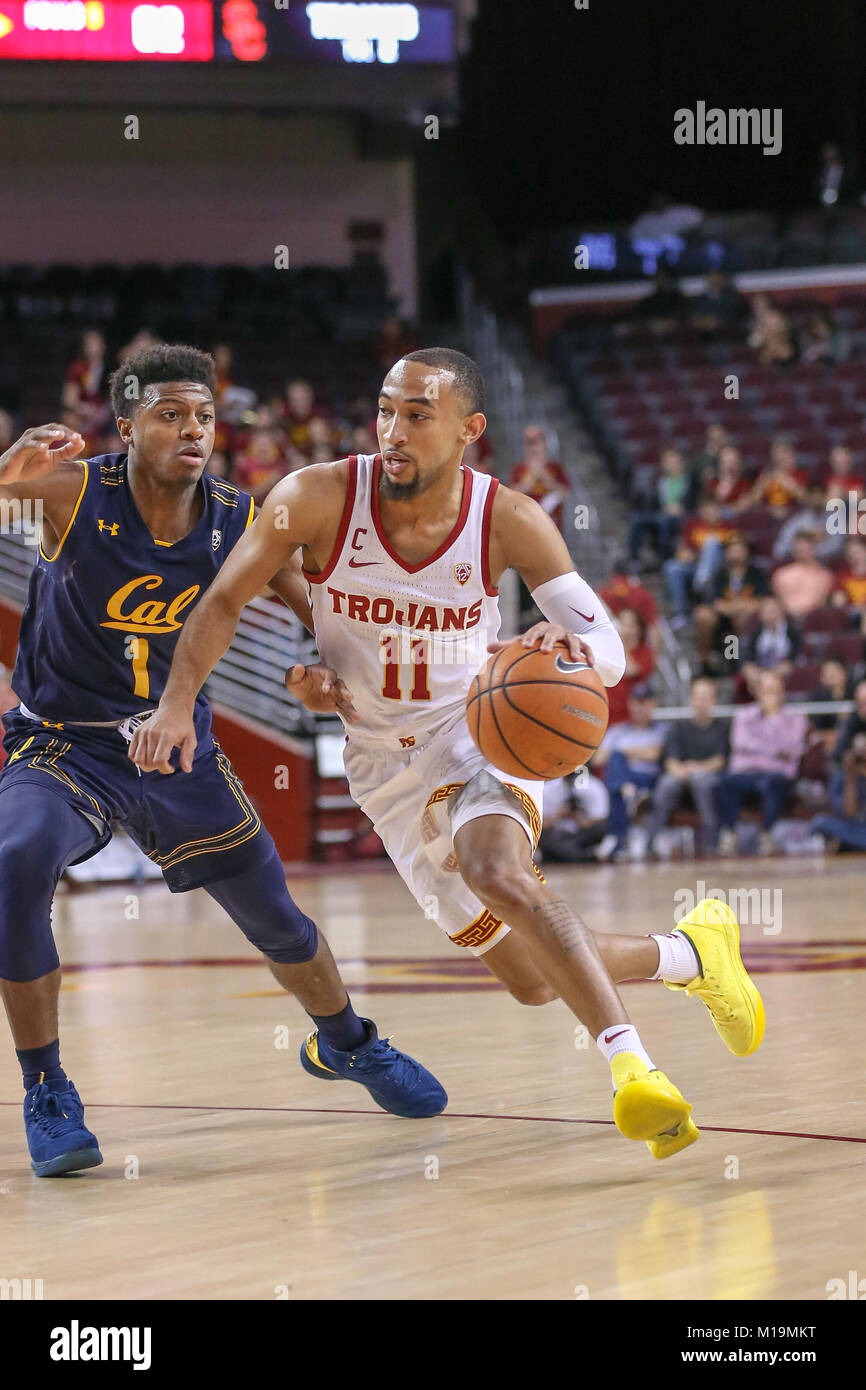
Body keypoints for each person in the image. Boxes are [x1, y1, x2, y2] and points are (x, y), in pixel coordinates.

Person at [132, 346, 766, 1162]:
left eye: (417, 415)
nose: (393, 429)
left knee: (499, 872)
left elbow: (606, 650)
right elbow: (225, 598)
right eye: (387, 410)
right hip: (378, 762)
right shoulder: (316, 497)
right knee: (533, 980)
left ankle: (633, 1069)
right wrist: (184, 703)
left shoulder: (510, 518)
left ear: (469, 429)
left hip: (479, 730)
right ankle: (691, 954)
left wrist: (562, 650)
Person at [0, 347, 446, 1179]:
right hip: (63, 740)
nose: (193, 430)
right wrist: (4, 472)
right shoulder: (71, 491)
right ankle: (48, 1089)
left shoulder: (240, 515)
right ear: (126, 427)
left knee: (276, 918)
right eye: (171, 415)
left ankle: (348, 1043)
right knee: (14, 861)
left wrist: (336, 667)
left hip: (177, 749)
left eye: (204, 416)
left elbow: (311, 599)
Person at [715, 669, 809, 854]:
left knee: (774, 782)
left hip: (775, 775)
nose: (768, 695)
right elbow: (740, 742)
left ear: (782, 693)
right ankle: (729, 833)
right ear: (756, 692)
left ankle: (767, 834)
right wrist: (773, 750)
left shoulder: (795, 718)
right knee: (725, 781)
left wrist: (772, 719)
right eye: (764, 690)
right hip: (745, 773)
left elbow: (791, 748)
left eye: (772, 690)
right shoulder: (743, 715)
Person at [644, 678, 729, 854]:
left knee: (701, 782)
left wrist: (698, 769)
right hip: (681, 775)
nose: (701, 702)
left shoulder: (721, 728)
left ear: (714, 701)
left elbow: (720, 761)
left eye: (706, 697)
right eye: (697, 696)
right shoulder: (679, 728)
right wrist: (683, 771)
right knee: (666, 784)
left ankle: (710, 842)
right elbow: (670, 760)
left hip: (707, 777)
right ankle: (651, 841)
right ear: (691, 699)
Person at [593, 684, 666, 858]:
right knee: (617, 777)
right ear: (630, 704)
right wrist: (635, 753)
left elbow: (654, 754)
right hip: (624, 779)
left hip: (647, 777)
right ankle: (629, 792)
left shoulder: (661, 729)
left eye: (645, 702)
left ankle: (617, 838)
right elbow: (598, 760)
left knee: (617, 761)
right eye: (637, 702)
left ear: (653, 704)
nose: (640, 708)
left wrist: (624, 751)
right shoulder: (618, 730)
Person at [692, 536, 769, 674]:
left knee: (740, 619)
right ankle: (705, 661)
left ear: (746, 552)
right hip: (722, 617)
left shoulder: (757, 573)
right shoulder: (718, 574)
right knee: (703, 615)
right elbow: (713, 600)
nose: (736, 554)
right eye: (732, 551)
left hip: (747, 618)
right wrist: (731, 608)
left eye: (739, 550)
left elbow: (761, 599)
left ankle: (735, 662)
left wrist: (740, 608)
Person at [663, 498, 736, 628]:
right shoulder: (693, 525)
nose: (709, 512)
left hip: (720, 568)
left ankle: (701, 584)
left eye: (712, 508)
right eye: (705, 509)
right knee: (671, 567)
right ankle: (682, 614)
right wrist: (686, 555)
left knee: (712, 543)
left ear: (718, 510)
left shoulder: (728, 527)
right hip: (695, 565)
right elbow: (682, 551)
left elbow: (734, 551)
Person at [627, 446, 689, 565]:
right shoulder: (661, 482)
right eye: (666, 461)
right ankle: (634, 561)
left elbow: (691, 501)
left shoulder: (688, 481)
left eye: (672, 460)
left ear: (680, 461)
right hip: (662, 514)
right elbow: (654, 504)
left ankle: (663, 560)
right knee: (637, 518)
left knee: (665, 522)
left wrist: (680, 508)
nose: (670, 464)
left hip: (680, 516)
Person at [810, 732, 866, 852]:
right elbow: (850, 813)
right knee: (820, 822)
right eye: (859, 751)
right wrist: (851, 777)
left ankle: (846, 844)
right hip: (853, 827)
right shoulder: (841, 776)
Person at [507, 426, 569, 532]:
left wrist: (546, 478)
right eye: (530, 444)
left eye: (537, 443)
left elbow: (566, 492)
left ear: (545, 445)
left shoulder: (555, 467)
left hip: (553, 525)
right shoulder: (519, 469)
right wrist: (531, 479)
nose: (534, 448)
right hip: (528, 525)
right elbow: (510, 496)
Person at [739, 596, 801, 696]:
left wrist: (785, 667)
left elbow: (798, 655)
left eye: (773, 611)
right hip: (761, 672)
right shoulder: (755, 633)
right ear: (760, 615)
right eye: (767, 611)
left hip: (784, 671)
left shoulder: (793, 632)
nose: (771, 615)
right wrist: (750, 669)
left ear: (781, 612)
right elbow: (747, 657)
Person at [606, 606, 655, 724]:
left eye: (628, 625)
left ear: (638, 628)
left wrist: (621, 641)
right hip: (607, 710)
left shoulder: (644, 652)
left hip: (629, 718)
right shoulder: (610, 650)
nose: (623, 629)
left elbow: (630, 670)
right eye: (621, 623)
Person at [771, 531, 834, 620]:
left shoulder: (824, 576)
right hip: (786, 620)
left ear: (814, 548)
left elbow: (821, 602)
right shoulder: (781, 575)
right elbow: (777, 601)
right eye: (799, 546)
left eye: (806, 545)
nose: (802, 548)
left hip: (814, 620)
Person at [747, 438, 808, 513]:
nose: (781, 459)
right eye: (777, 458)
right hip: (769, 516)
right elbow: (753, 501)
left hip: (794, 515)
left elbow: (807, 498)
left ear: (792, 454)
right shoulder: (767, 476)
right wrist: (761, 485)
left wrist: (787, 482)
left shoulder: (801, 474)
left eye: (784, 454)